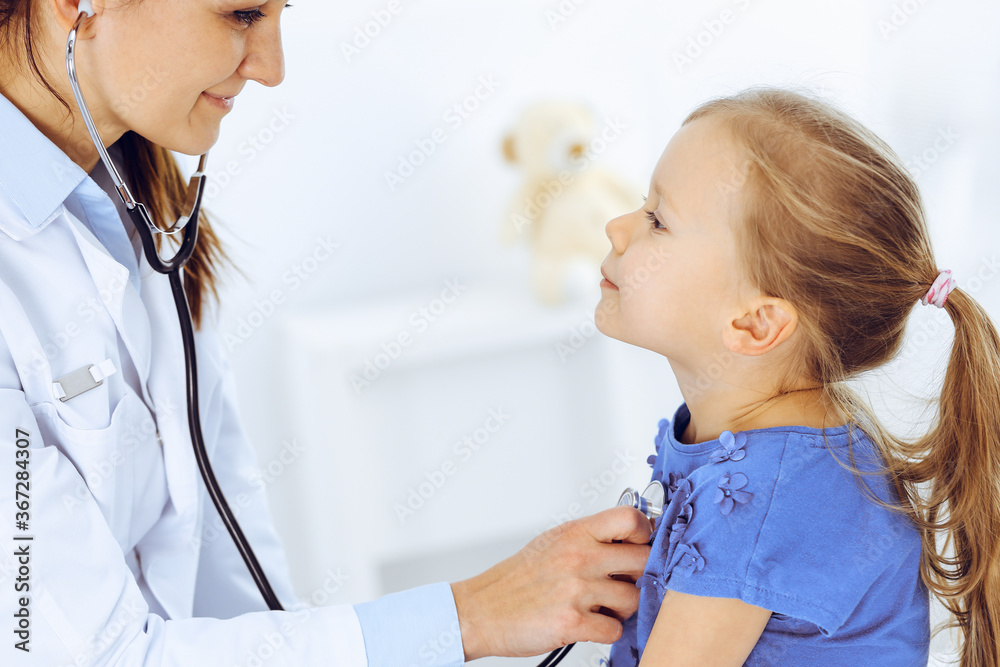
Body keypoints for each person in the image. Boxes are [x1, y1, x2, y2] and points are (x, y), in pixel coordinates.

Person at [0, 1, 654, 664]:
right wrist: (472, 614)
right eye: (242, 13)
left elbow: (235, 583)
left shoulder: (136, 215)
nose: (273, 68)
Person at [595, 86, 1000, 666]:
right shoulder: (788, 453)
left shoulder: (761, 502)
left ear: (757, 324)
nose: (616, 225)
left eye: (658, 220)